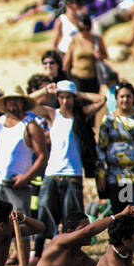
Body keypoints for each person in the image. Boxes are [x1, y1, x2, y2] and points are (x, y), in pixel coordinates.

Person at [0, 87, 48, 264]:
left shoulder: (30, 126)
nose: (13, 104)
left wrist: (26, 178)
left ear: (23, 102)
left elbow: (42, 156)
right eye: (10, 100)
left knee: (20, 229)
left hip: (16, 184)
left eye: (17, 100)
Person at [32, 80, 103, 244]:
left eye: (69, 97)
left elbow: (102, 99)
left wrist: (79, 94)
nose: (65, 101)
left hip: (73, 174)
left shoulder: (81, 114)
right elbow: (27, 104)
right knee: (46, 217)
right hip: (52, 174)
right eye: (61, 97)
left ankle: (71, 253)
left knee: (72, 220)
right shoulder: (52, 114)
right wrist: (44, 91)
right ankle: (40, 251)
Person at [96, 82, 134, 236]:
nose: (125, 100)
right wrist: (100, 174)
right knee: (122, 215)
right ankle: (123, 252)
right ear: (116, 99)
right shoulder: (108, 120)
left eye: (128, 96)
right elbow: (101, 148)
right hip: (119, 177)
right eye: (121, 97)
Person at [27, 209, 119, 266]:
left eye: (88, 227)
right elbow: (88, 231)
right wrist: (119, 215)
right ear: (70, 232)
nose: (91, 234)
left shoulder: (85, 262)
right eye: (83, 228)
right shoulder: (58, 242)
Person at [62, 14, 106, 94]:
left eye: (87, 29)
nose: (85, 32)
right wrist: (65, 76)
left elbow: (105, 56)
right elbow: (67, 61)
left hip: (93, 78)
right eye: (81, 29)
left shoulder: (96, 39)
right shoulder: (74, 40)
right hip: (77, 77)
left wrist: (99, 56)